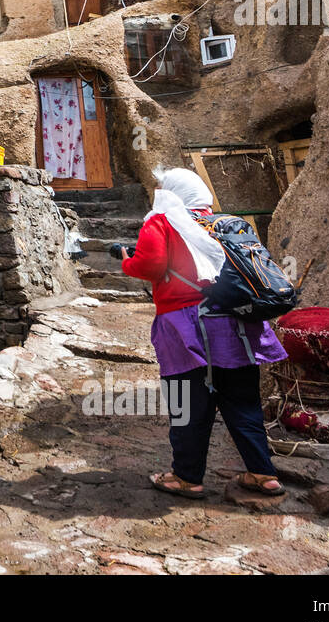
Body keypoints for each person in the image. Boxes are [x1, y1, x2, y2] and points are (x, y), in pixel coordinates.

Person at [118, 168, 288, 499]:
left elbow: (151, 265)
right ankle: (263, 473)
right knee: (242, 401)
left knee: (187, 403)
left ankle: (186, 477)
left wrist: (127, 262)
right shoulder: (227, 223)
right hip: (237, 327)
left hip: (185, 330)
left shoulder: (163, 221)